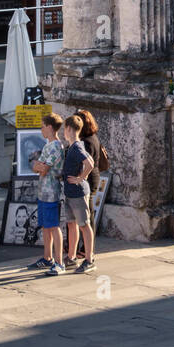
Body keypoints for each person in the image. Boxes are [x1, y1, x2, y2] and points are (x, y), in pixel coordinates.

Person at [28, 113, 64, 275]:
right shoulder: (48, 145)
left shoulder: (56, 146)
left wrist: (37, 165)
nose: (41, 129)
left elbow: (43, 169)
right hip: (43, 191)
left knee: (53, 226)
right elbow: (37, 166)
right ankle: (47, 257)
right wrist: (37, 165)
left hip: (51, 192)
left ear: (49, 127)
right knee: (45, 226)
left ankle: (59, 262)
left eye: (42, 126)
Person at [62, 114, 96, 273]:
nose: (64, 132)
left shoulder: (76, 147)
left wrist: (81, 178)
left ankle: (89, 259)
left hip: (78, 192)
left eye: (64, 129)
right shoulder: (74, 146)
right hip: (70, 192)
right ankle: (71, 257)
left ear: (68, 129)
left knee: (84, 224)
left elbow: (90, 163)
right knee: (72, 224)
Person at [72, 108, 102, 260]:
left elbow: (86, 163)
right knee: (87, 213)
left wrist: (79, 178)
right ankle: (83, 247)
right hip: (94, 176)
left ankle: (86, 249)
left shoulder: (86, 141)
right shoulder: (93, 137)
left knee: (87, 215)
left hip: (88, 179)